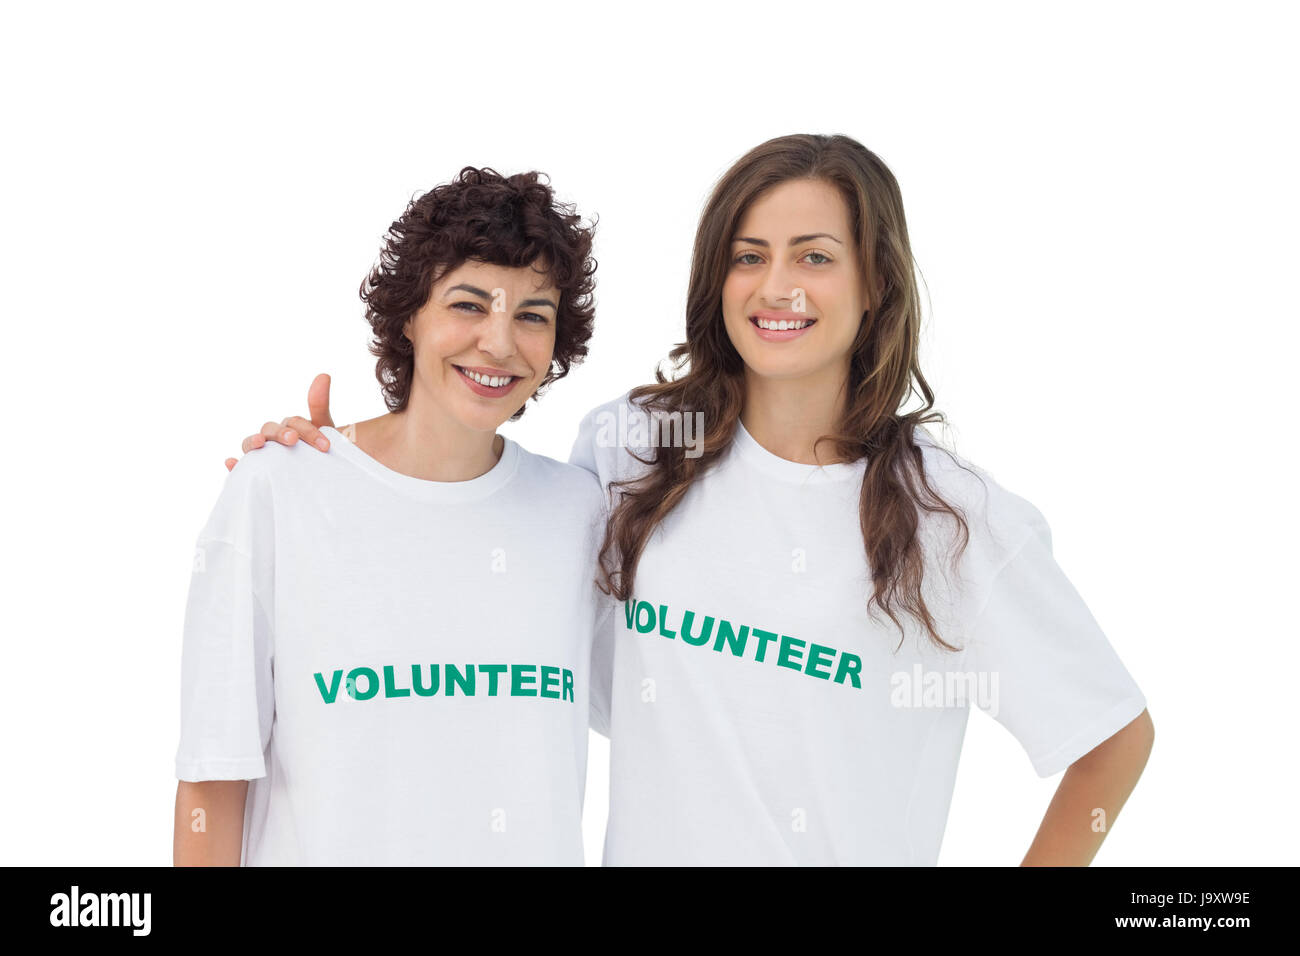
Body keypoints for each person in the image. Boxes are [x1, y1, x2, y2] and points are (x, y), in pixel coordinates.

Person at [233, 134, 1154, 866]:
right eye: (749, 255)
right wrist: (336, 466)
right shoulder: (635, 449)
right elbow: (478, 533)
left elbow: (1112, 736)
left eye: (817, 256)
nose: (777, 285)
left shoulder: (952, 519)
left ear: (876, 282)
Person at [174, 166, 609, 866]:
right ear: (410, 314)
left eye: (532, 315)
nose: (499, 343)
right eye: (468, 304)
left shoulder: (580, 513)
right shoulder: (278, 491)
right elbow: (213, 771)